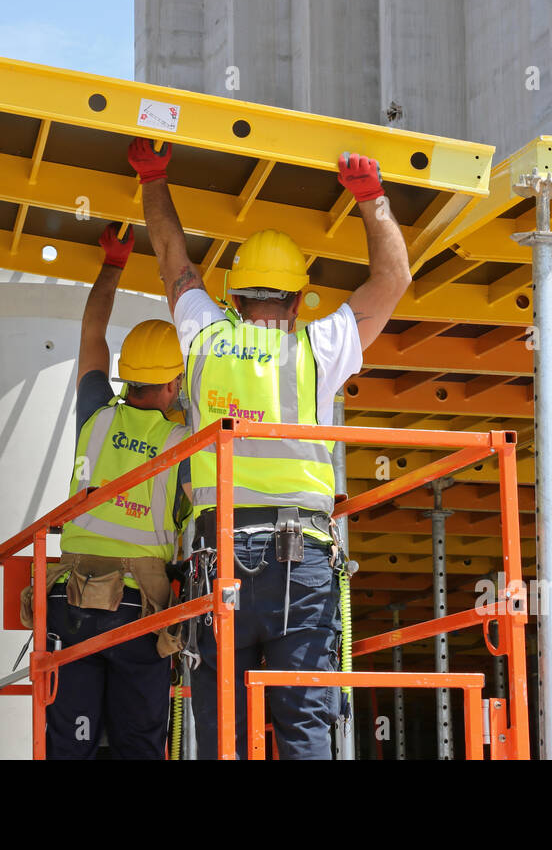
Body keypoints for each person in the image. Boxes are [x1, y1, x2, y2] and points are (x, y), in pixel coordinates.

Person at [127, 138, 412, 759]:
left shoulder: (203, 333)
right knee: (306, 725)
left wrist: (154, 178)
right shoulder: (318, 348)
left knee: (220, 724)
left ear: (233, 294)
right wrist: (372, 201)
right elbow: (394, 279)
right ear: (298, 297)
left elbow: (172, 257)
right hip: (300, 561)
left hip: (216, 556)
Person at [39, 221, 190, 759]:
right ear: (175, 383)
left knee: (69, 740)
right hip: (139, 612)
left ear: (128, 377)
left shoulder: (95, 416)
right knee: (139, 741)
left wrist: (113, 264)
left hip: (71, 603)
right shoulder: (184, 442)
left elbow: (91, 335)